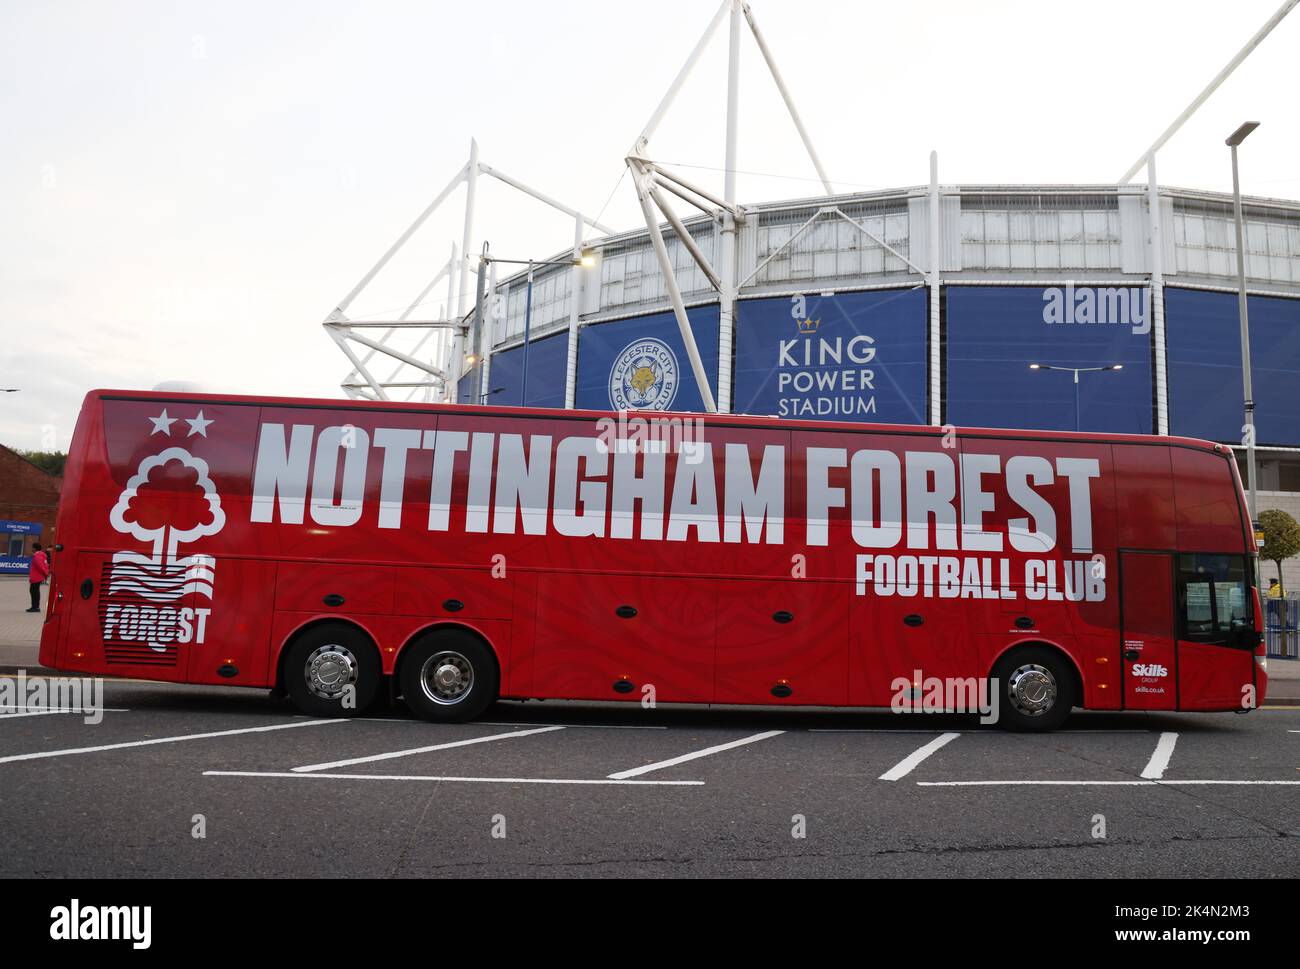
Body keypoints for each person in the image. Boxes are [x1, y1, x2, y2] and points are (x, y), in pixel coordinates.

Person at [27, 543, 49, 613]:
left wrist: (45, 573)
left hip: (36, 576)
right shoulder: (42, 555)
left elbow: (40, 566)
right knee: (34, 591)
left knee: (34, 591)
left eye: (32, 548)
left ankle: (35, 607)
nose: (31, 549)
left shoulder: (37, 556)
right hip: (39, 576)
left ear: (35, 548)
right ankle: (35, 606)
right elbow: (44, 565)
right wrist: (45, 574)